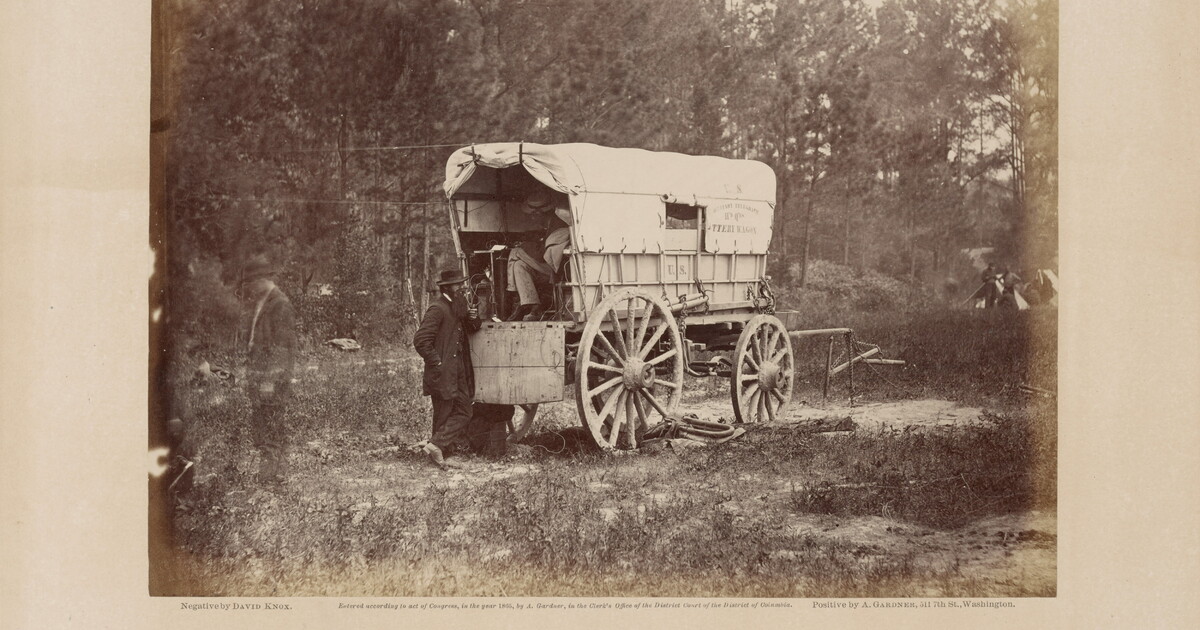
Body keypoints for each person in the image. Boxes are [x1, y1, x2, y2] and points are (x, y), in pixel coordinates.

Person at [413, 269, 481, 469]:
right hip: (443, 371)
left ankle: (436, 446)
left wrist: (472, 317)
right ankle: (440, 454)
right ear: (446, 288)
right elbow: (420, 340)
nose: (462, 287)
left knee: (464, 410)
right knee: (443, 412)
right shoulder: (438, 308)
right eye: (457, 284)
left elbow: (472, 328)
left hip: (457, 370)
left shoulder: (457, 307)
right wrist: (437, 362)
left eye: (462, 283)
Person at [239, 254, 297, 485]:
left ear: (262, 279)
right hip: (260, 376)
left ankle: (274, 477)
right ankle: (272, 474)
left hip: (272, 379)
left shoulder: (280, 304)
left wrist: (269, 381)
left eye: (251, 282)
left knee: (272, 425)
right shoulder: (262, 302)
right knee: (263, 426)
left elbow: (282, 348)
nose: (249, 288)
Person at [506, 189, 572, 321]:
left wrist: (524, 246)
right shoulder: (548, 225)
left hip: (555, 270)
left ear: (541, 213)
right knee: (519, 265)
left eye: (533, 214)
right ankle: (532, 305)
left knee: (515, 252)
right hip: (547, 268)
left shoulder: (559, 225)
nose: (532, 217)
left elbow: (544, 254)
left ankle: (515, 298)